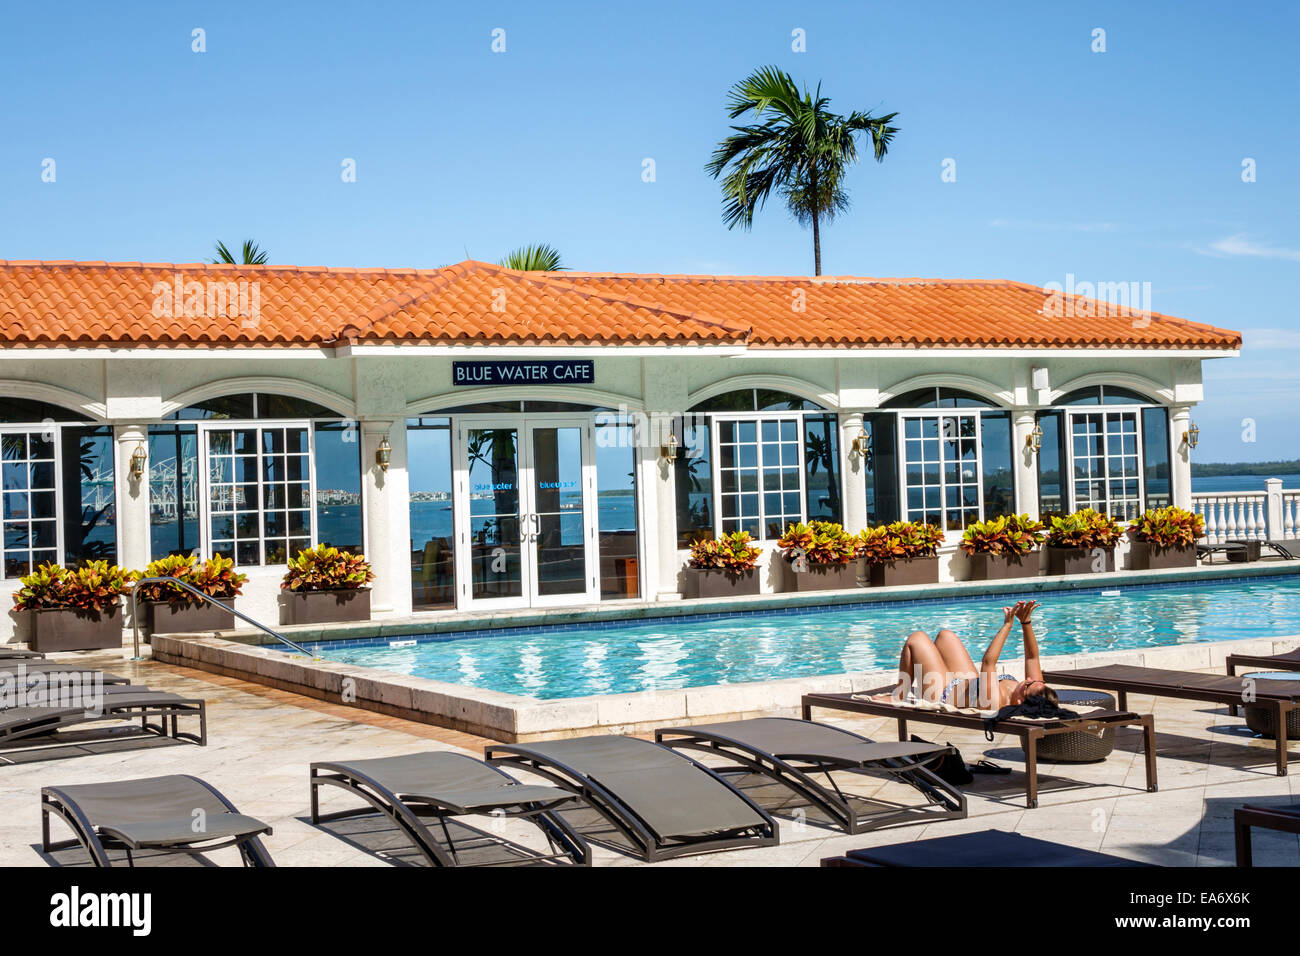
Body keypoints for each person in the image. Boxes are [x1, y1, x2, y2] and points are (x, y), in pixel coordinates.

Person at [894, 600, 1058, 710]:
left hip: (941, 693)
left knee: (916, 639)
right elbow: (1032, 657)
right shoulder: (1033, 689)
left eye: (1028, 685)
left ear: (1020, 702)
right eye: (1035, 680)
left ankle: (899, 696)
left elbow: (988, 662)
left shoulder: (995, 701)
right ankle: (931, 668)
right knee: (946, 635)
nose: (1028, 679)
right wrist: (1026, 623)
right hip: (964, 682)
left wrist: (1008, 625)